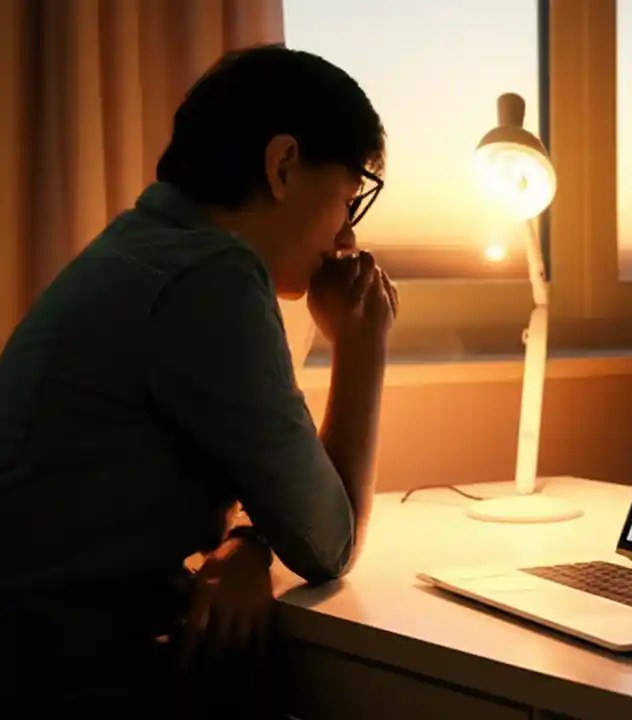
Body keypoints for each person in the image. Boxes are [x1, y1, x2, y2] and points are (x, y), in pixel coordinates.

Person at [0, 44, 394, 715]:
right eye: (349, 199)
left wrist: (247, 543)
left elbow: (261, 483)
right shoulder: (211, 280)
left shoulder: (139, 251)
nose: (344, 239)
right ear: (284, 165)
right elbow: (328, 542)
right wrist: (362, 344)